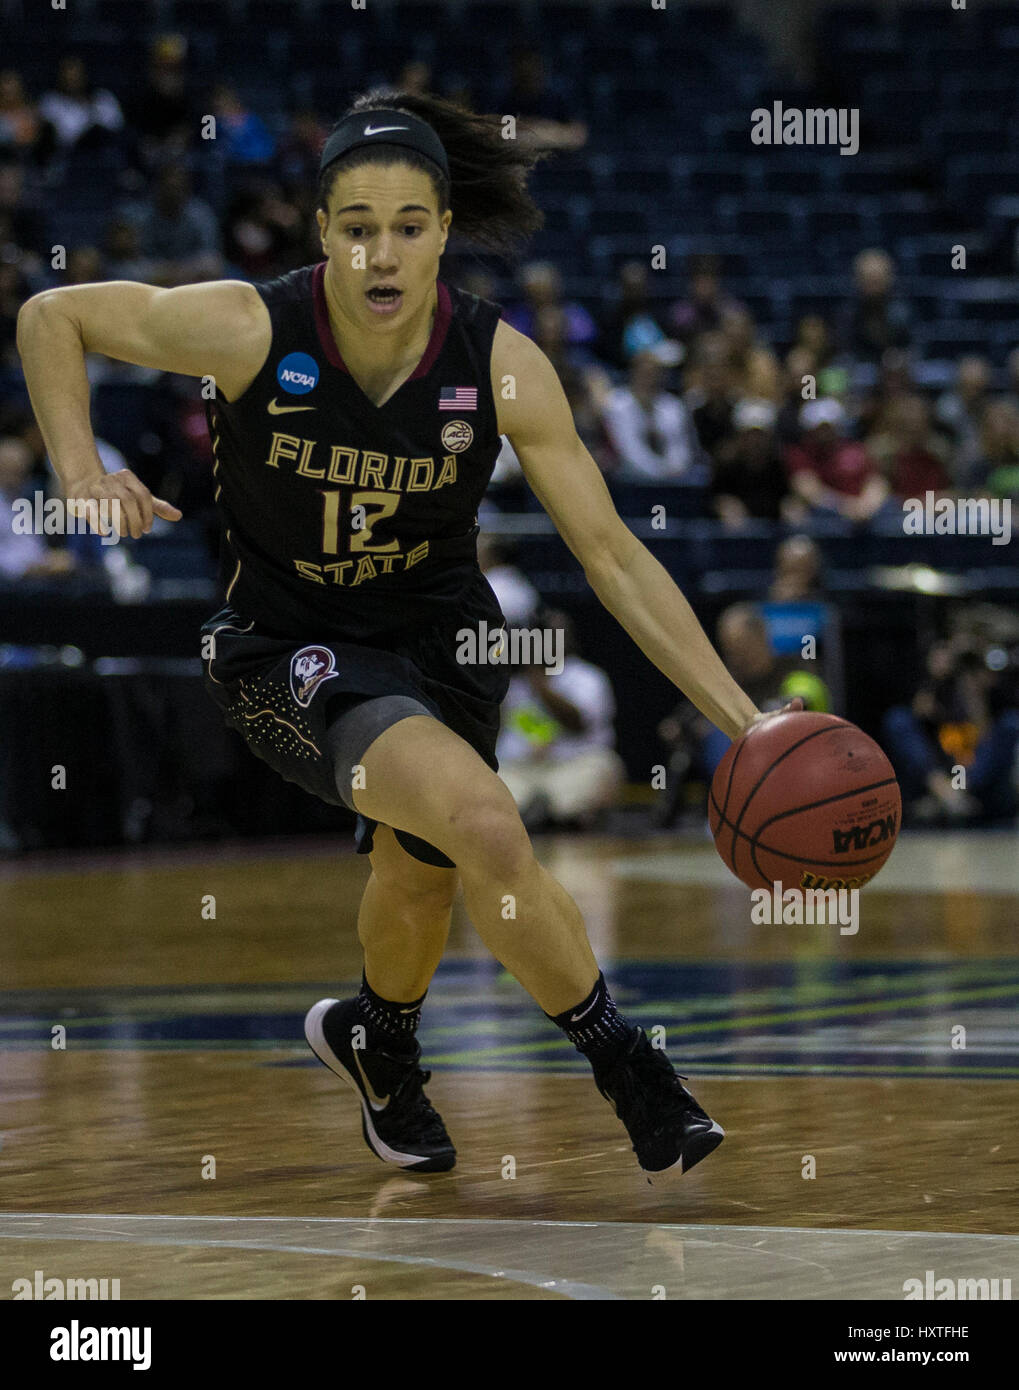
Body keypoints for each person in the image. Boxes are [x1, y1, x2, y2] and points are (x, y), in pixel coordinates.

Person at [17, 88, 797, 1184]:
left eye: (408, 226)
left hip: (440, 644)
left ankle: (377, 1044)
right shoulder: (251, 327)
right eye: (355, 227)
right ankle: (628, 1067)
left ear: (442, 229)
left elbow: (612, 555)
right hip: (285, 647)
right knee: (483, 818)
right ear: (322, 232)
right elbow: (53, 315)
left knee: (423, 874)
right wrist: (80, 468)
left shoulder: (501, 365)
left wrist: (745, 722)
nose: (381, 254)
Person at [497, 611, 624, 831]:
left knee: (600, 769)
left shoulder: (587, 677)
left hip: (573, 764)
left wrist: (540, 685)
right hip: (524, 769)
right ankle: (532, 811)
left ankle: (557, 813)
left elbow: (577, 723)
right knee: (492, 779)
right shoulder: (514, 683)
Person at [602, 348, 701, 478]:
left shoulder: (673, 406)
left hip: (673, 480)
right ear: (633, 373)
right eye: (645, 374)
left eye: (655, 374)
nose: (650, 379)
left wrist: (675, 470)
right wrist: (659, 473)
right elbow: (629, 450)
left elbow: (679, 447)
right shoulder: (616, 404)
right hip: (629, 481)